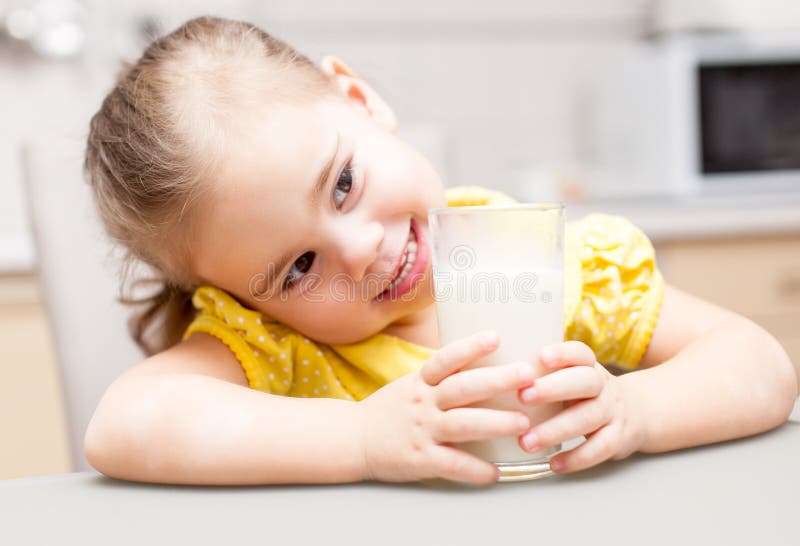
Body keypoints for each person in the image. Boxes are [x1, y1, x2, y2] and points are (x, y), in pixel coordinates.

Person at [82, 16, 798, 485]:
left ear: (360, 99)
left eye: (342, 184)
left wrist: (640, 410)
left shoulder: (537, 264)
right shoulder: (282, 347)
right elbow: (124, 427)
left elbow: (760, 365)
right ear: (244, 299)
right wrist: (362, 437)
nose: (359, 250)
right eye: (299, 268)